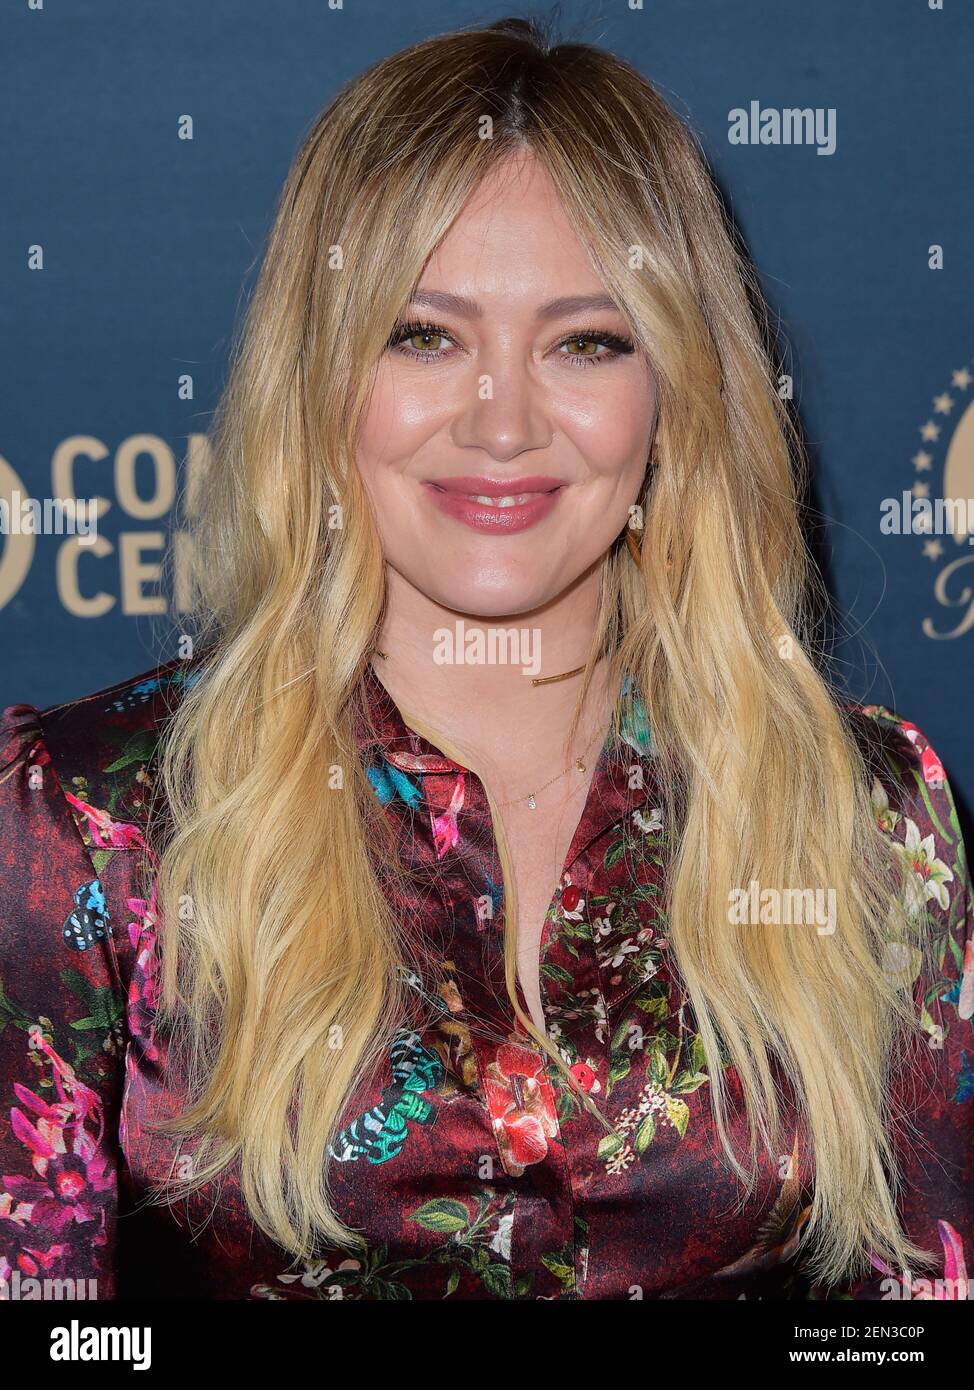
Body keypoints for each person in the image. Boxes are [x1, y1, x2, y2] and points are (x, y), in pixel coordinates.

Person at [1, 16, 970, 1303]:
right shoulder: (88, 820)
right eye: (424, 334)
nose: (502, 420)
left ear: (675, 390)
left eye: (586, 341)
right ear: (318, 374)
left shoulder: (864, 816)